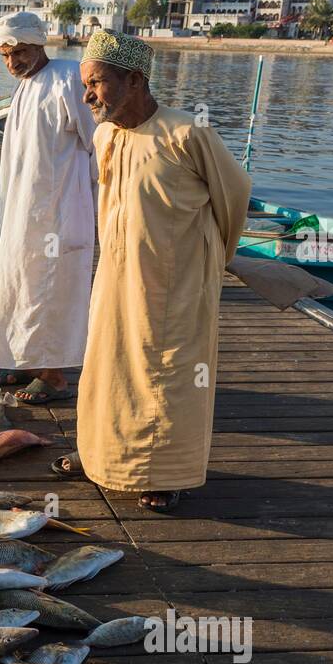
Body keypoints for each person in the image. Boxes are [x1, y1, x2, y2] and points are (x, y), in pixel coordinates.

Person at [54, 30, 252, 512]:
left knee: (169, 376)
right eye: (86, 84)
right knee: (108, 367)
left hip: (176, 285)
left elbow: (235, 197)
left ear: (135, 80)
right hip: (116, 276)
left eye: (97, 83)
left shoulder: (187, 133)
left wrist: (208, 263)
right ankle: (100, 455)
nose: (87, 96)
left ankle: (164, 474)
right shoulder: (104, 135)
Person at [0, 11, 97, 404]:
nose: (14, 62)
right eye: (6, 55)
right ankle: (28, 359)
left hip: (59, 211)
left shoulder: (68, 78)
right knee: (21, 283)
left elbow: (98, 142)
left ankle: (54, 375)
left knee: (50, 289)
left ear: (39, 44)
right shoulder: (25, 86)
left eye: (21, 52)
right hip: (22, 210)